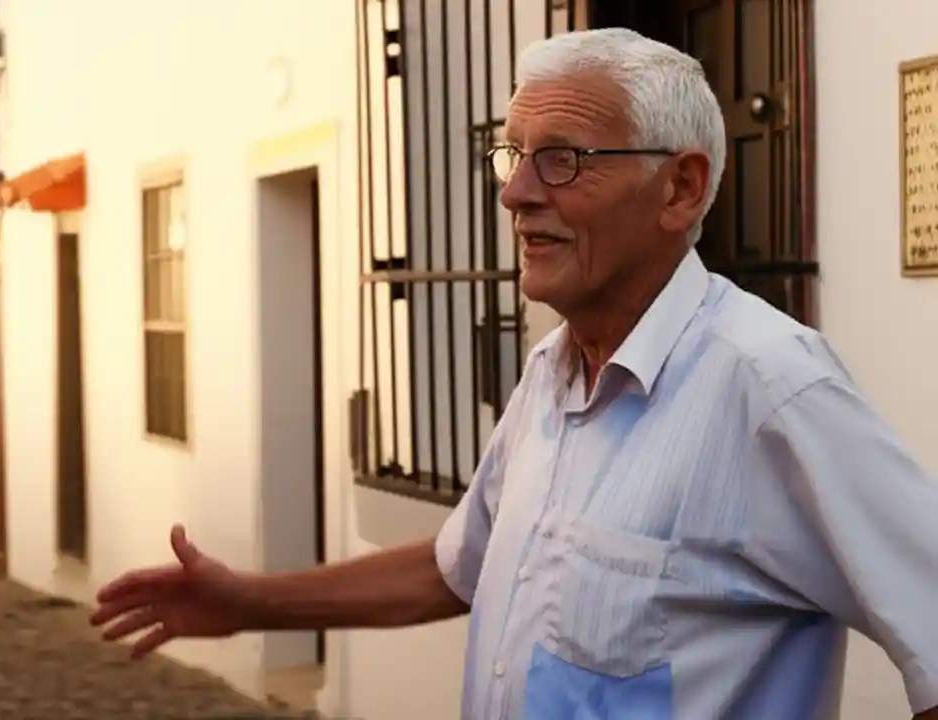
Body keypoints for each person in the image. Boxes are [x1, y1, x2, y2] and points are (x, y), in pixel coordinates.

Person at [90, 27, 938, 720]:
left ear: (680, 189)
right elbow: (462, 564)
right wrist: (249, 603)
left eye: (563, 159)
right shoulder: (549, 373)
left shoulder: (772, 388)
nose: (516, 193)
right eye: (512, 155)